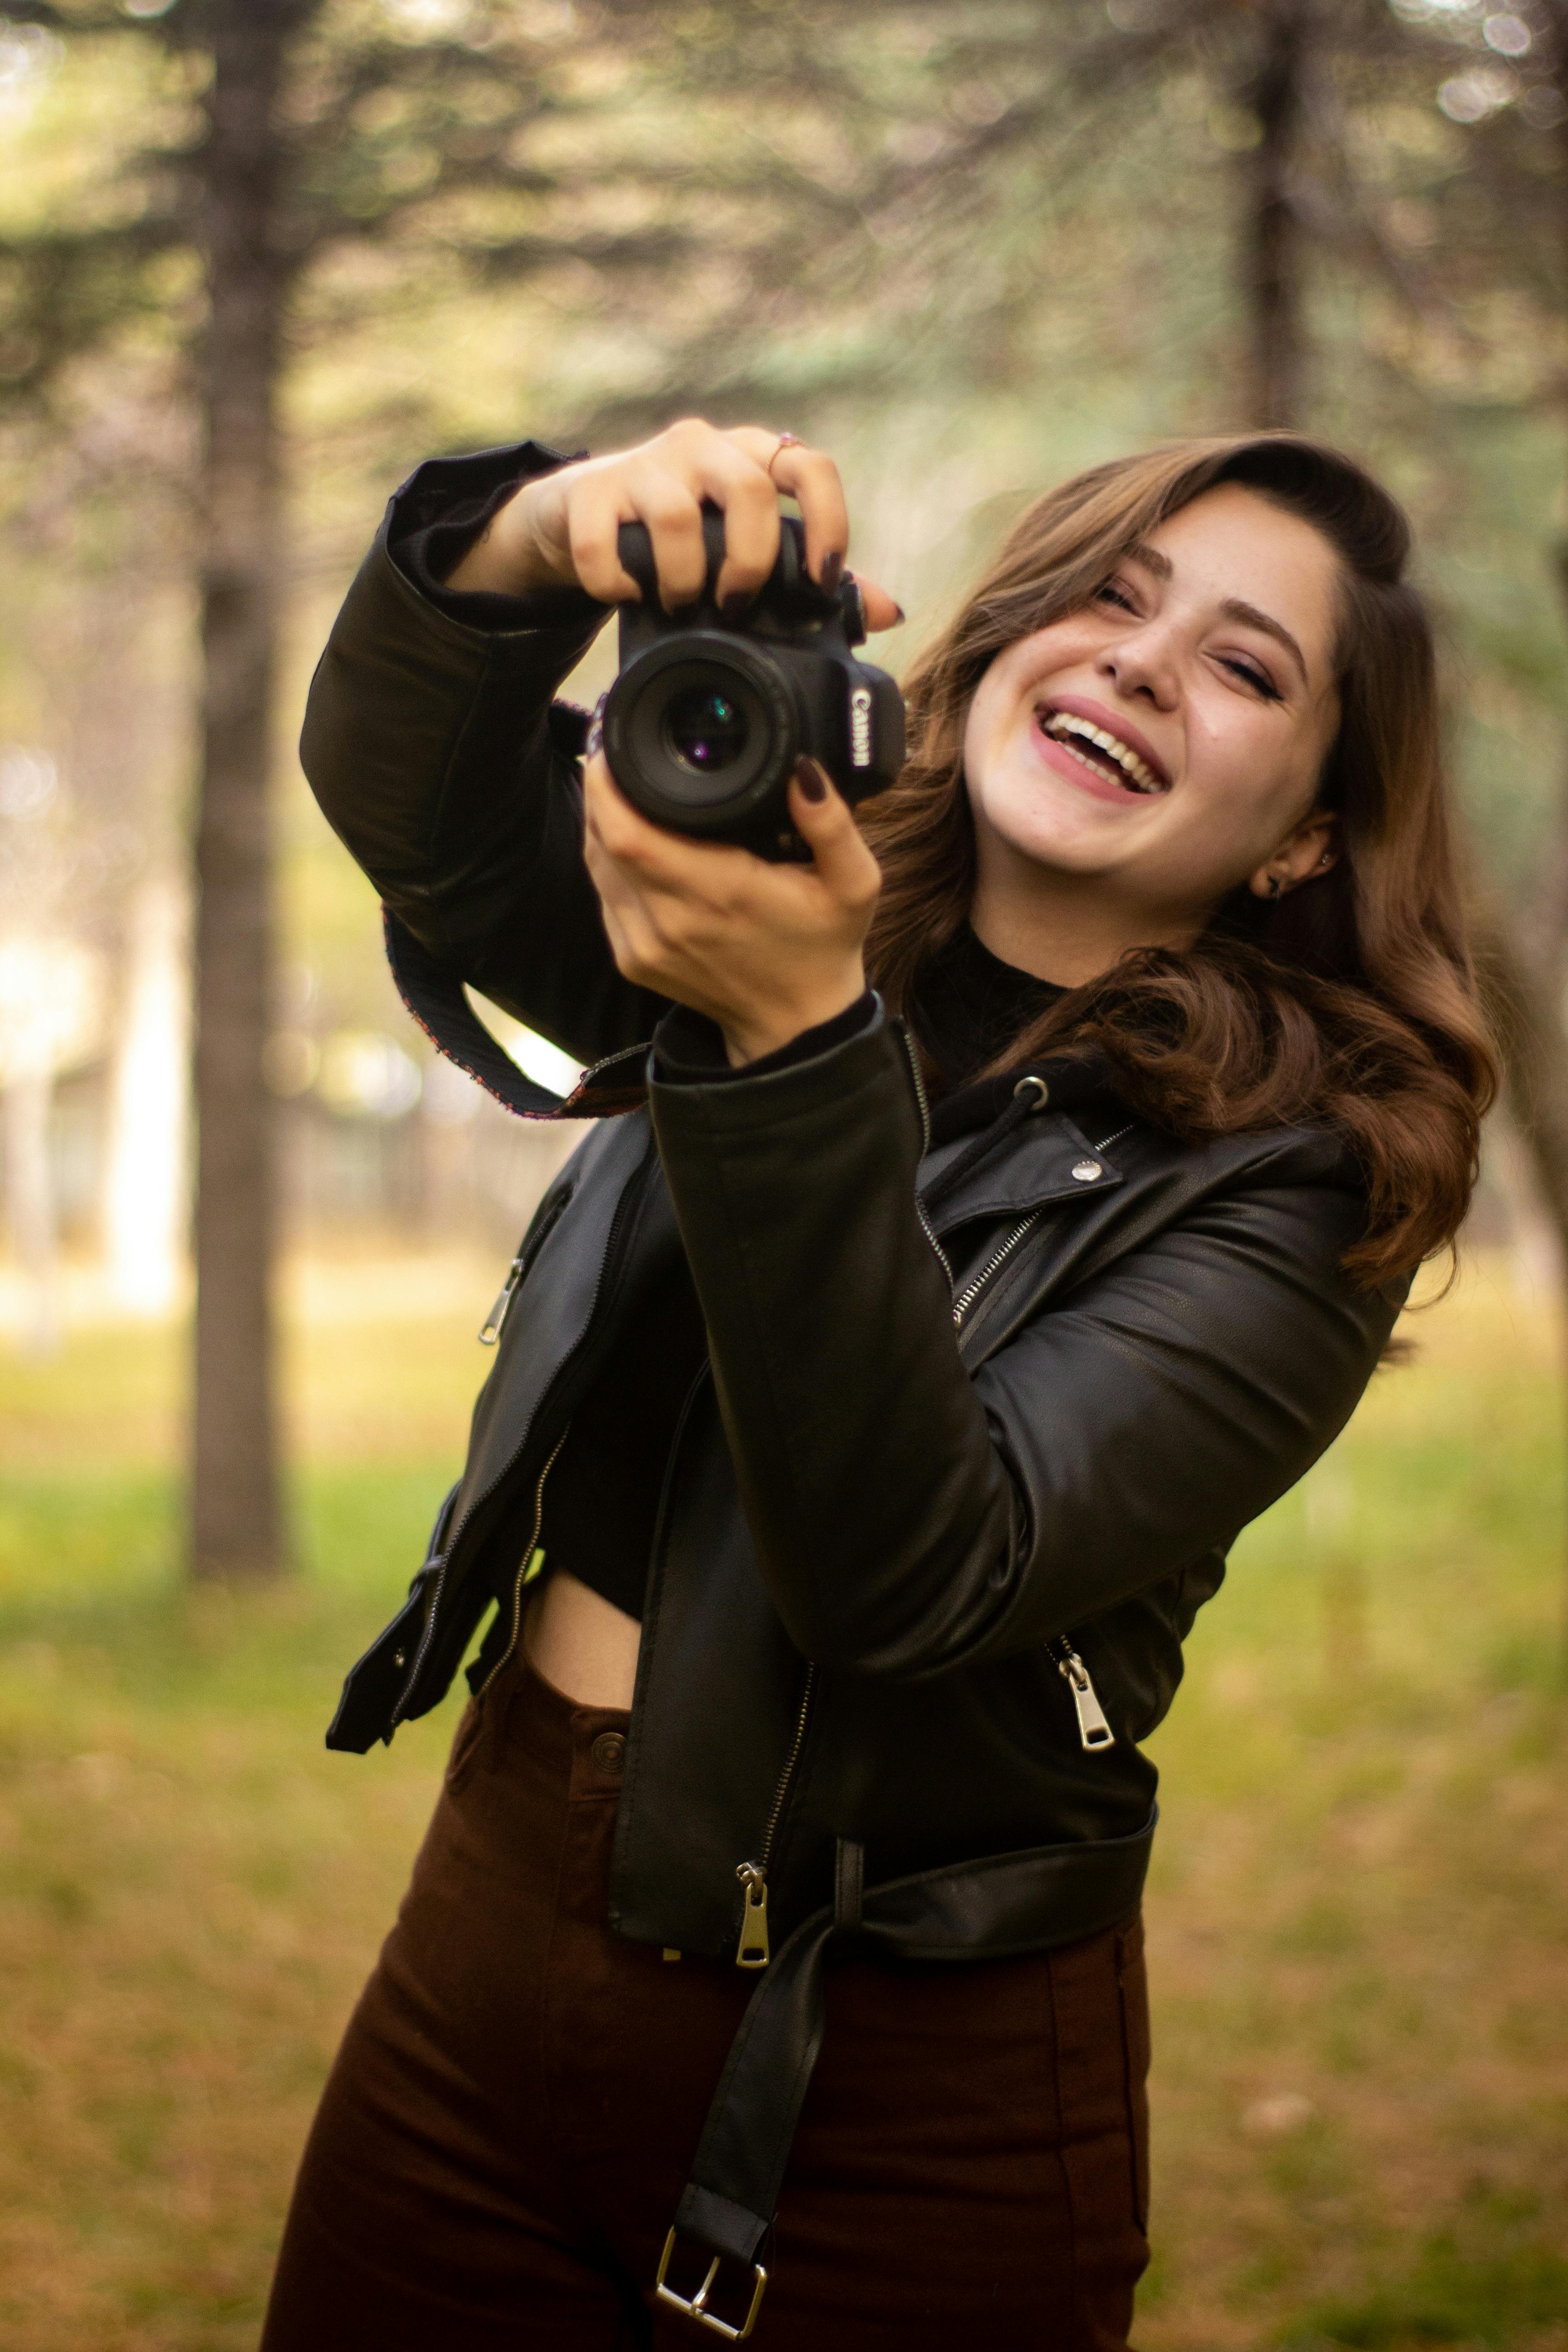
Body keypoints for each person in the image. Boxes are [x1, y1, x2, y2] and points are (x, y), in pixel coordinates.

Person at [262, 419, 1496, 2351]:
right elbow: (410, 806)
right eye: (1113, 591)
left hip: (896, 2083)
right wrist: (529, 539)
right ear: (1005, 636)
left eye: (1247, 667)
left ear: (1307, 832)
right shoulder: (752, 874)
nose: (1144, 664)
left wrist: (790, 1035)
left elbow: (910, 1566)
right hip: (483, 1943)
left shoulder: (1301, 1182)